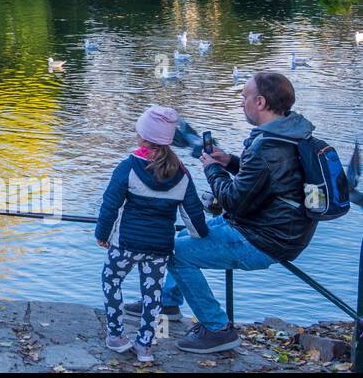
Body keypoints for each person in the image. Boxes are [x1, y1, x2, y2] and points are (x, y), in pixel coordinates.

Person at [124, 71, 317, 354]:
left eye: (245, 96)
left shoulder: (266, 146)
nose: (241, 103)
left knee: (176, 251)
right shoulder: (291, 133)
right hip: (279, 229)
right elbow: (269, 180)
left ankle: (217, 329)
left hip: (264, 239)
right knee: (186, 232)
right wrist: (230, 161)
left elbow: (232, 201)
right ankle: (167, 301)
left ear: (260, 102)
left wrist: (211, 168)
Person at [95, 105, 209, 363]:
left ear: (142, 137)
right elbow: (192, 213)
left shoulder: (129, 167)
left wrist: (102, 233)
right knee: (153, 295)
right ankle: (145, 344)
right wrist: (200, 234)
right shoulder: (181, 174)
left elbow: (110, 203)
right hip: (159, 249)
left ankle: (116, 335)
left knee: (111, 281)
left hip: (126, 244)